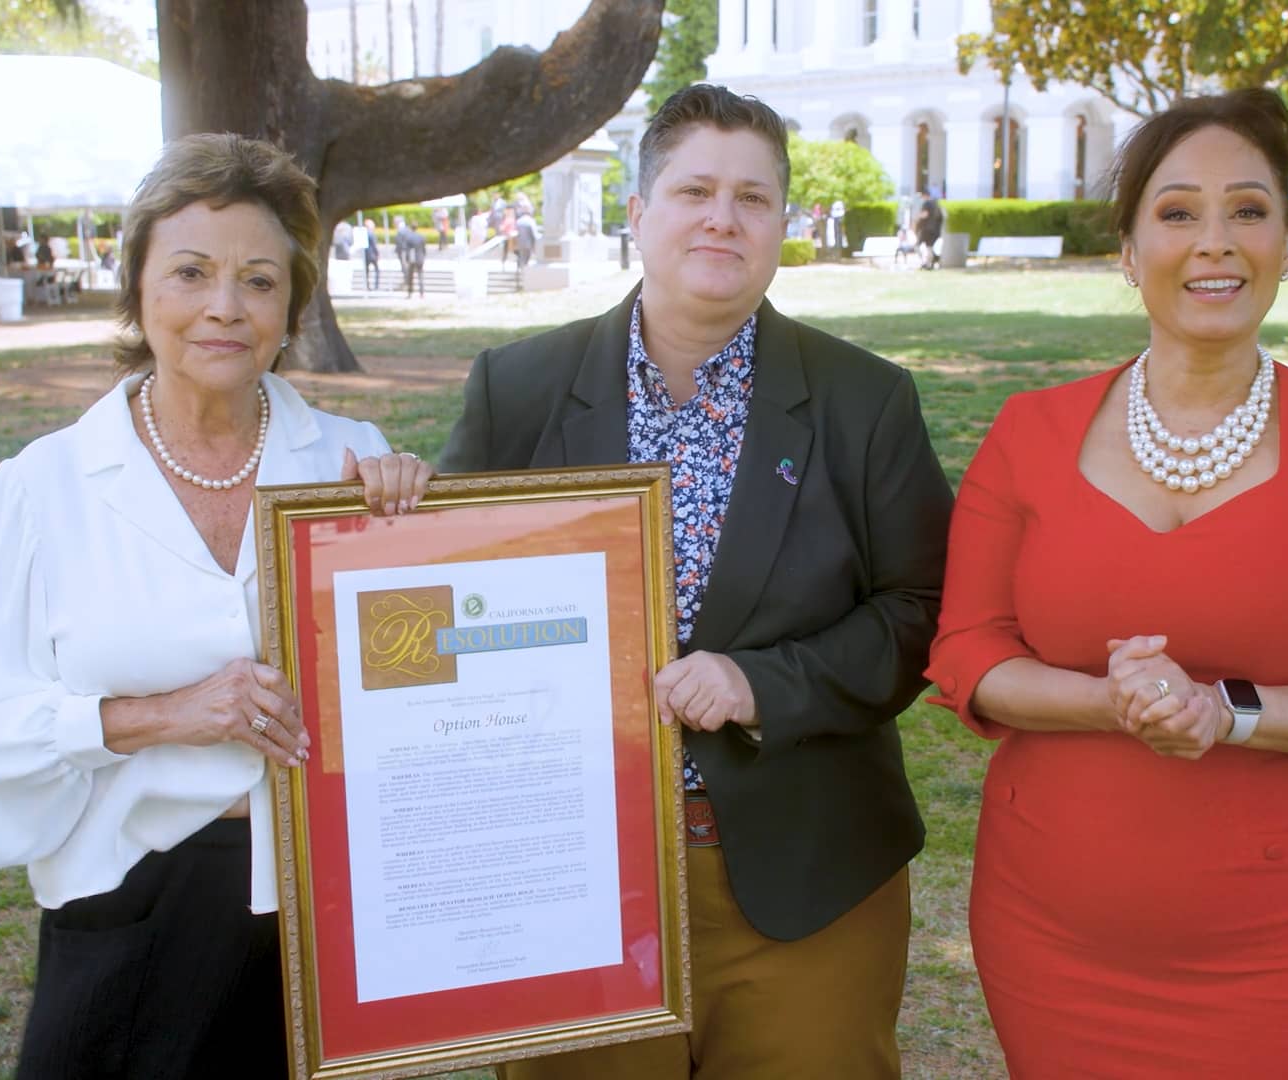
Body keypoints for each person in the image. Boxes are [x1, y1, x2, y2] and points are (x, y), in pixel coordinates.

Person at [925, 88, 1288, 1077]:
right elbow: (967, 652)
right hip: (1054, 944)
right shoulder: (1029, 434)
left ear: (1285, 241)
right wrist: (1107, 702)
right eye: (1177, 213)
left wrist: (1224, 712)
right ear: (1128, 252)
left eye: (1248, 210)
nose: (1215, 241)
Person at [439, 83, 952, 1080]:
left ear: (782, 224)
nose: (723, 218)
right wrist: (391, 522)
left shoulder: (864, 400)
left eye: (754, 198)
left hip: (803, 880)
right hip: (568, 876)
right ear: (638, 213)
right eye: (695, 190)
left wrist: (769, 683)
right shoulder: (519, 390)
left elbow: (924, 609)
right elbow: (443, 603)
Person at [0, 133, 432, 1079]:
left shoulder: (350, 462)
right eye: (190, 272)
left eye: (259, 281)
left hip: (326, 911)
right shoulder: (43, 489)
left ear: (291, 305)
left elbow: (419, 685)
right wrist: (159, 717)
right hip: (132, 911)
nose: (224, 308)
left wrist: (419, 542)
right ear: (139, 286)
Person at [913, 189, 944, 269]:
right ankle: (929, 263)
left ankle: (925, 262)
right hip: (936, 230)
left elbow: (925, 214)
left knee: (917, 246)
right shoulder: (936, 203)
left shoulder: (927, 203)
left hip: (926, 229)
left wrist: (916, 219)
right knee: (929, 247)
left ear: (924, 195)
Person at [396, 218, 427, 297]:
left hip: (412, 259)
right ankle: (421, 292)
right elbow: (424, 249)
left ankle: (410, 292)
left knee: (410, 277)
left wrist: (406, 259)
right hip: (420, 258)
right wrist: (423, 257)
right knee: (420, 275)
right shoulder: (421, 236)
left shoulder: (408, 237)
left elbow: (405, 248)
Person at [362, 223, 382, 289]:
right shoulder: (371, 233)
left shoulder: (363, 233)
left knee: (366, 272)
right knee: (377, 271)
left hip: (366, 255)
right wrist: (378, 253)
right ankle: (376, 286)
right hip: (372, 255)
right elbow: (374, 245)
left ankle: (367, 286)